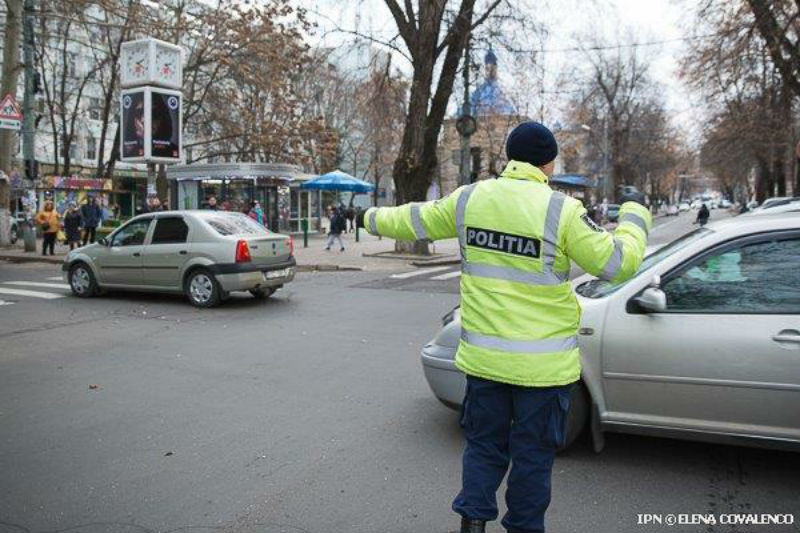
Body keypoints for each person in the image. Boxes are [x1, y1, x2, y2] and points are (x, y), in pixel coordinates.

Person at [358, 121, 651, 533]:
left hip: (484, 363)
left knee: (483, 447)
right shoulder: (561, 210)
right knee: (531, 456)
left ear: (511, 158)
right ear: (548, 164)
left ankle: (473, 524)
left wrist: (368, 216)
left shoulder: (471, 199)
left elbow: (415, 219)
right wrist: (635, 215)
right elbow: (618, 263)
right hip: (542, 372)